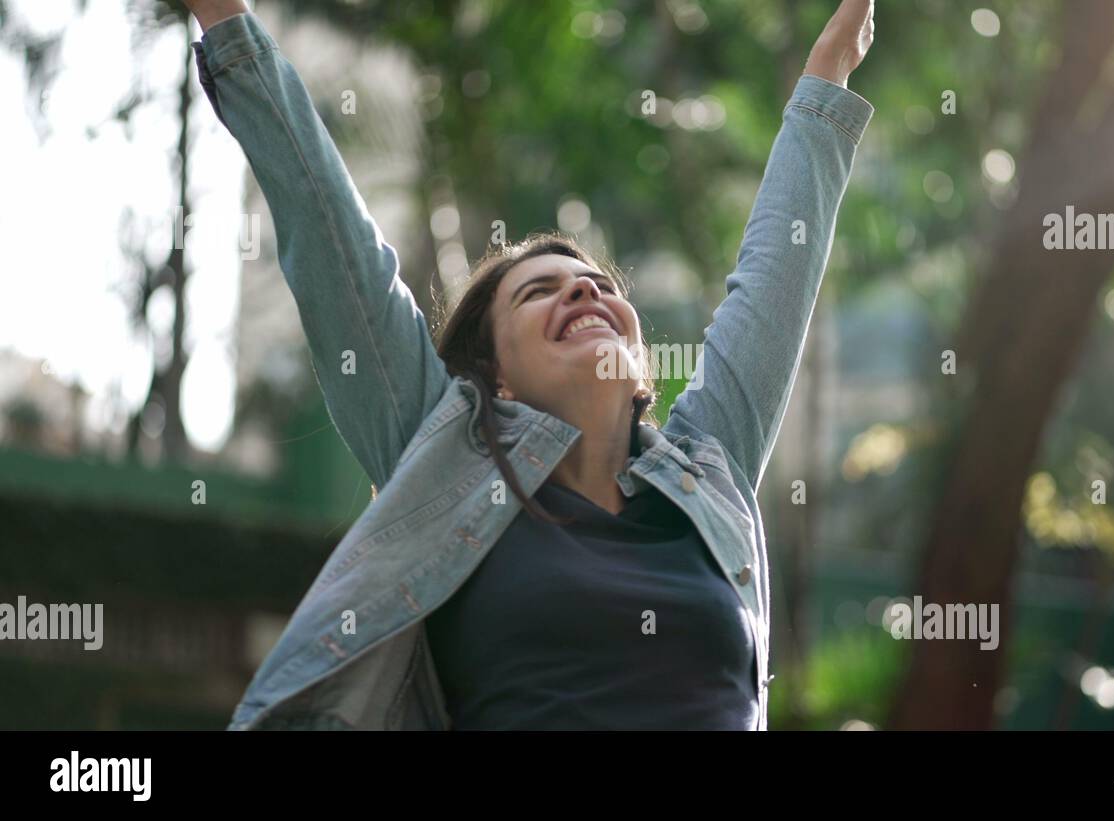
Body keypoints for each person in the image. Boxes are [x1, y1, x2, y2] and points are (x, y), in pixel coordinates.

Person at [180, 0, 875, 730]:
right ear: (495, 375)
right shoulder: (444, 455)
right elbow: (329, 229)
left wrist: (827, 74)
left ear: (640, 366)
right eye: (539, 293)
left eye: (603, 288)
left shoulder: (709, 469)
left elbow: (775, 285)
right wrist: (226, 19)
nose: (585, 288)